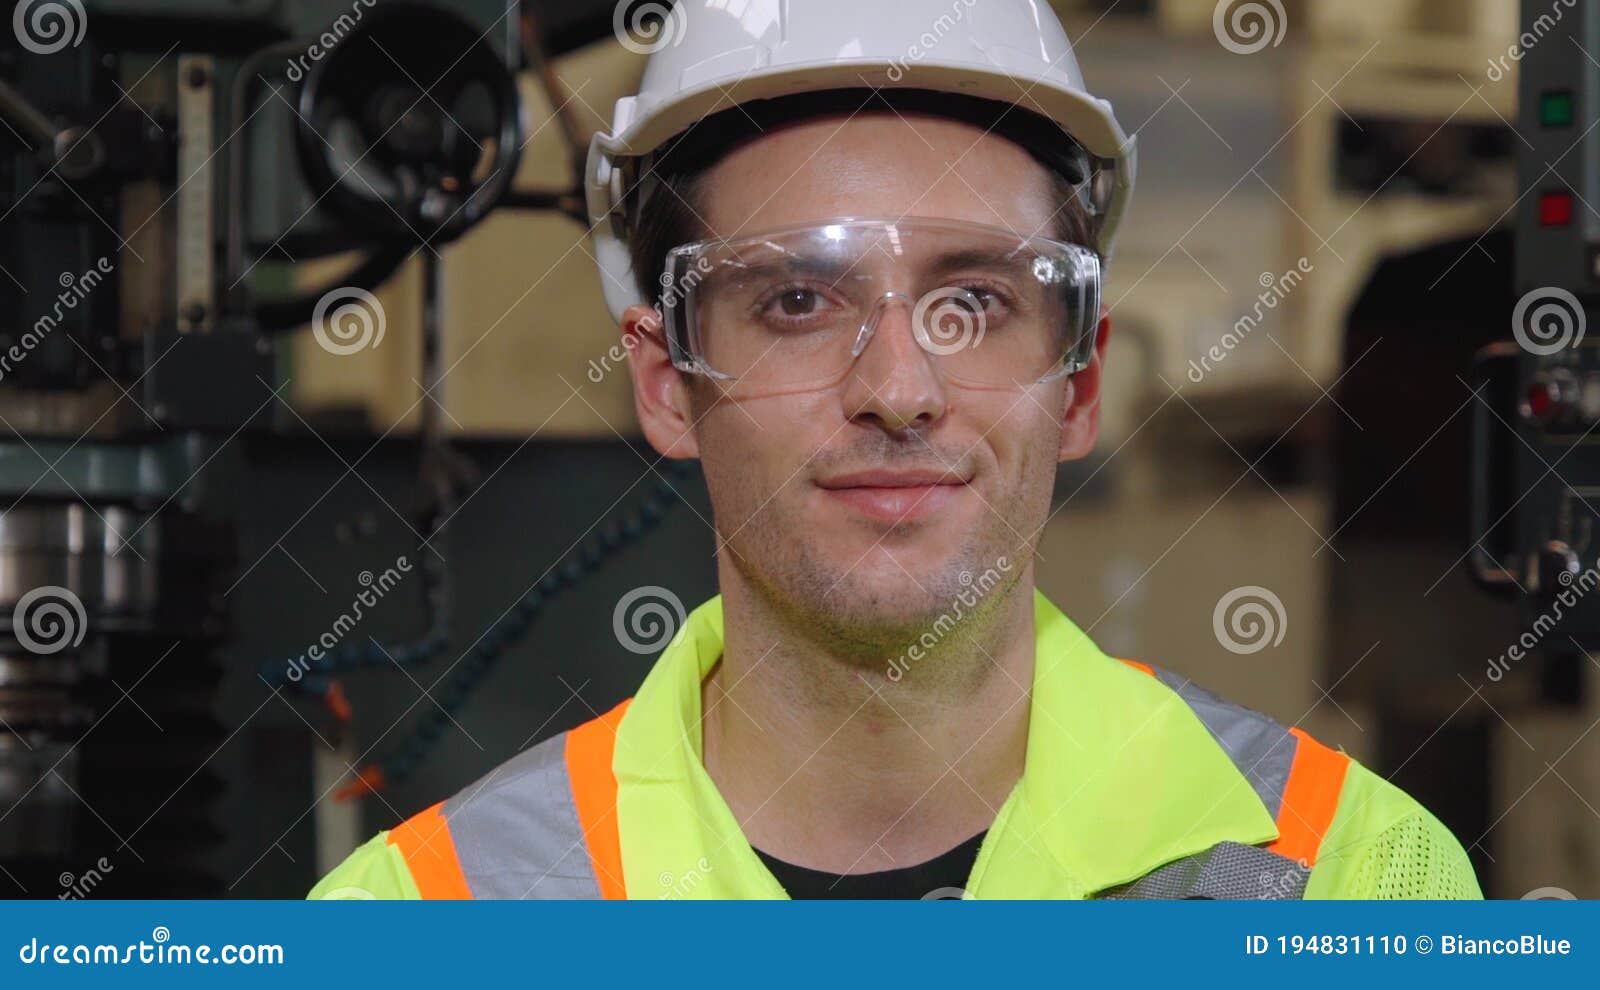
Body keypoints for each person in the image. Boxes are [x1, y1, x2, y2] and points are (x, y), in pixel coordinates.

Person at [310, 0, 1480, 900]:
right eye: (796, 303)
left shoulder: (1350, 877)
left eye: (971, 301)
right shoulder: (431, 917)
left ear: (1076, 384)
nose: (897, 391)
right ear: (667, 383)